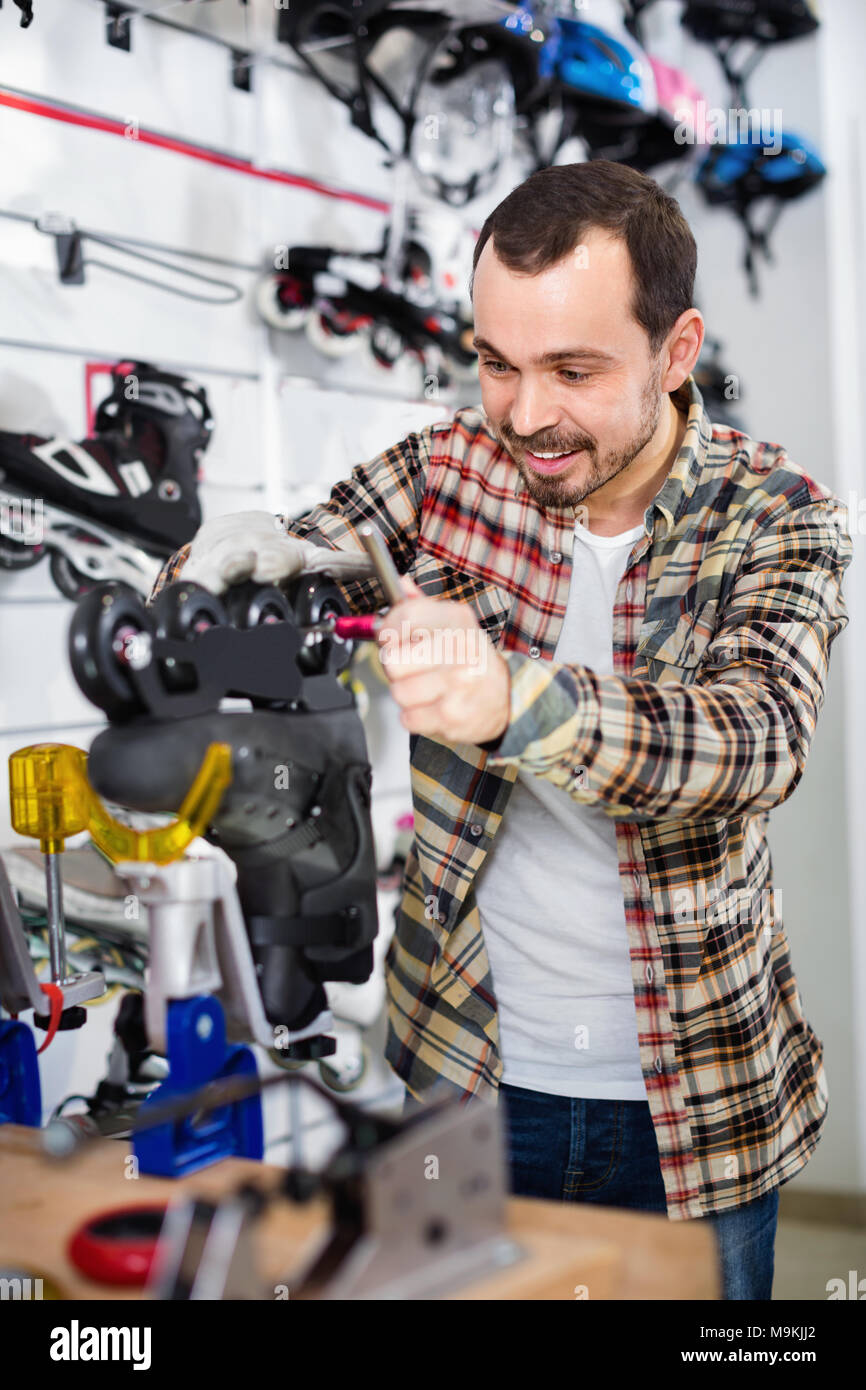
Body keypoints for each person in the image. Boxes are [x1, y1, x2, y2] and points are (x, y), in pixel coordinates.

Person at [150, 161, 852, 1301]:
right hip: (455, 1080)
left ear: (677, 353)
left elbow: (755, 740)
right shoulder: (445, 472)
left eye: (571, 370)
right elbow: (296, 562)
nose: (524, 414)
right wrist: (218, 569)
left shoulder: (775, 515)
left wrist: (509, 701)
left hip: (695, 1108)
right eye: (495, 363)